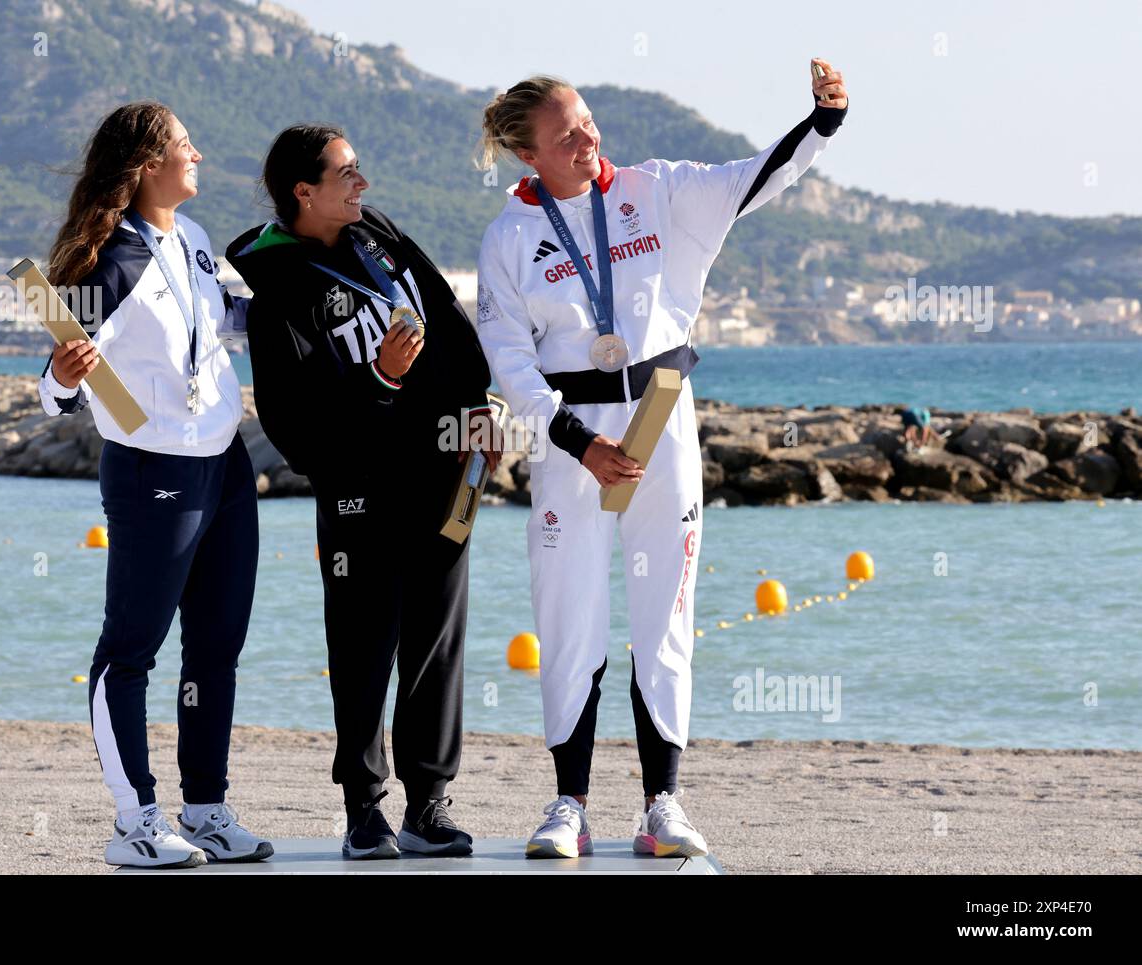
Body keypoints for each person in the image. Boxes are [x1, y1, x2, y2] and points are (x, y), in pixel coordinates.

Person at [475, 61, 849, 858]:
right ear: (529, 156)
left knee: (666, 615)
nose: (587, 139)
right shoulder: (509, 237)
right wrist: (577, 441)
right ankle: (569, 804)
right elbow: (509, 360)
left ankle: (662, 803)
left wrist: (822, 122)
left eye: (587, 121)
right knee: (567, 617)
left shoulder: (658, 191)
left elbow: (756, 177)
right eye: (565, 136)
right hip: (572, 439)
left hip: (662, 420)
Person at [226, 124, 496, 859]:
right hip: (358, 488)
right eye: (346, 173)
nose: (362, 183)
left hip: (443, 468)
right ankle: (364, 808)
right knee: (362, 646)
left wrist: (476, 403)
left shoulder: (375, 231)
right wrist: (379, 378)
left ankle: (428, 804)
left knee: (437, 640)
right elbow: (291, 421)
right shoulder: (277, 288)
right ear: (303, 191)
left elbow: (442, 310)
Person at [38, 101, 272, 868]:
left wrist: (285, 305)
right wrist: (63, 376)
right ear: (147, 166)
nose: (197, 154)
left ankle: (204, 809)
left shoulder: (193, 239)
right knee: (130, 649)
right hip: (154, 471)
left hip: (225, 463)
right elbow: (56, 386)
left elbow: (221, 322)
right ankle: (134, 820)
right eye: (184, 145)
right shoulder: (108, 258)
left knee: (217, 646)